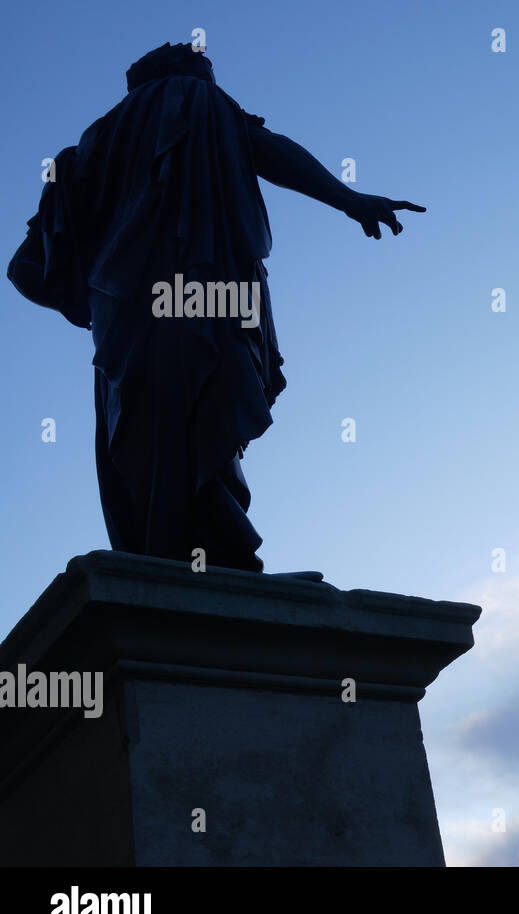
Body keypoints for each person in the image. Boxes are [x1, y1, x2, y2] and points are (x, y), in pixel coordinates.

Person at [8, 41, 424, 571]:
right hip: (197, 291)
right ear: (182, 73)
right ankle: (219, 560)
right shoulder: (192, 99)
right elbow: (270, 151)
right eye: (205, 71)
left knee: (146, 427)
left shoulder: (88, 147)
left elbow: (24, 270)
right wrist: (351, 201)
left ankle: (161, 559)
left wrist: (94, 303)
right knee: (203, 410)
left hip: (126, 312)